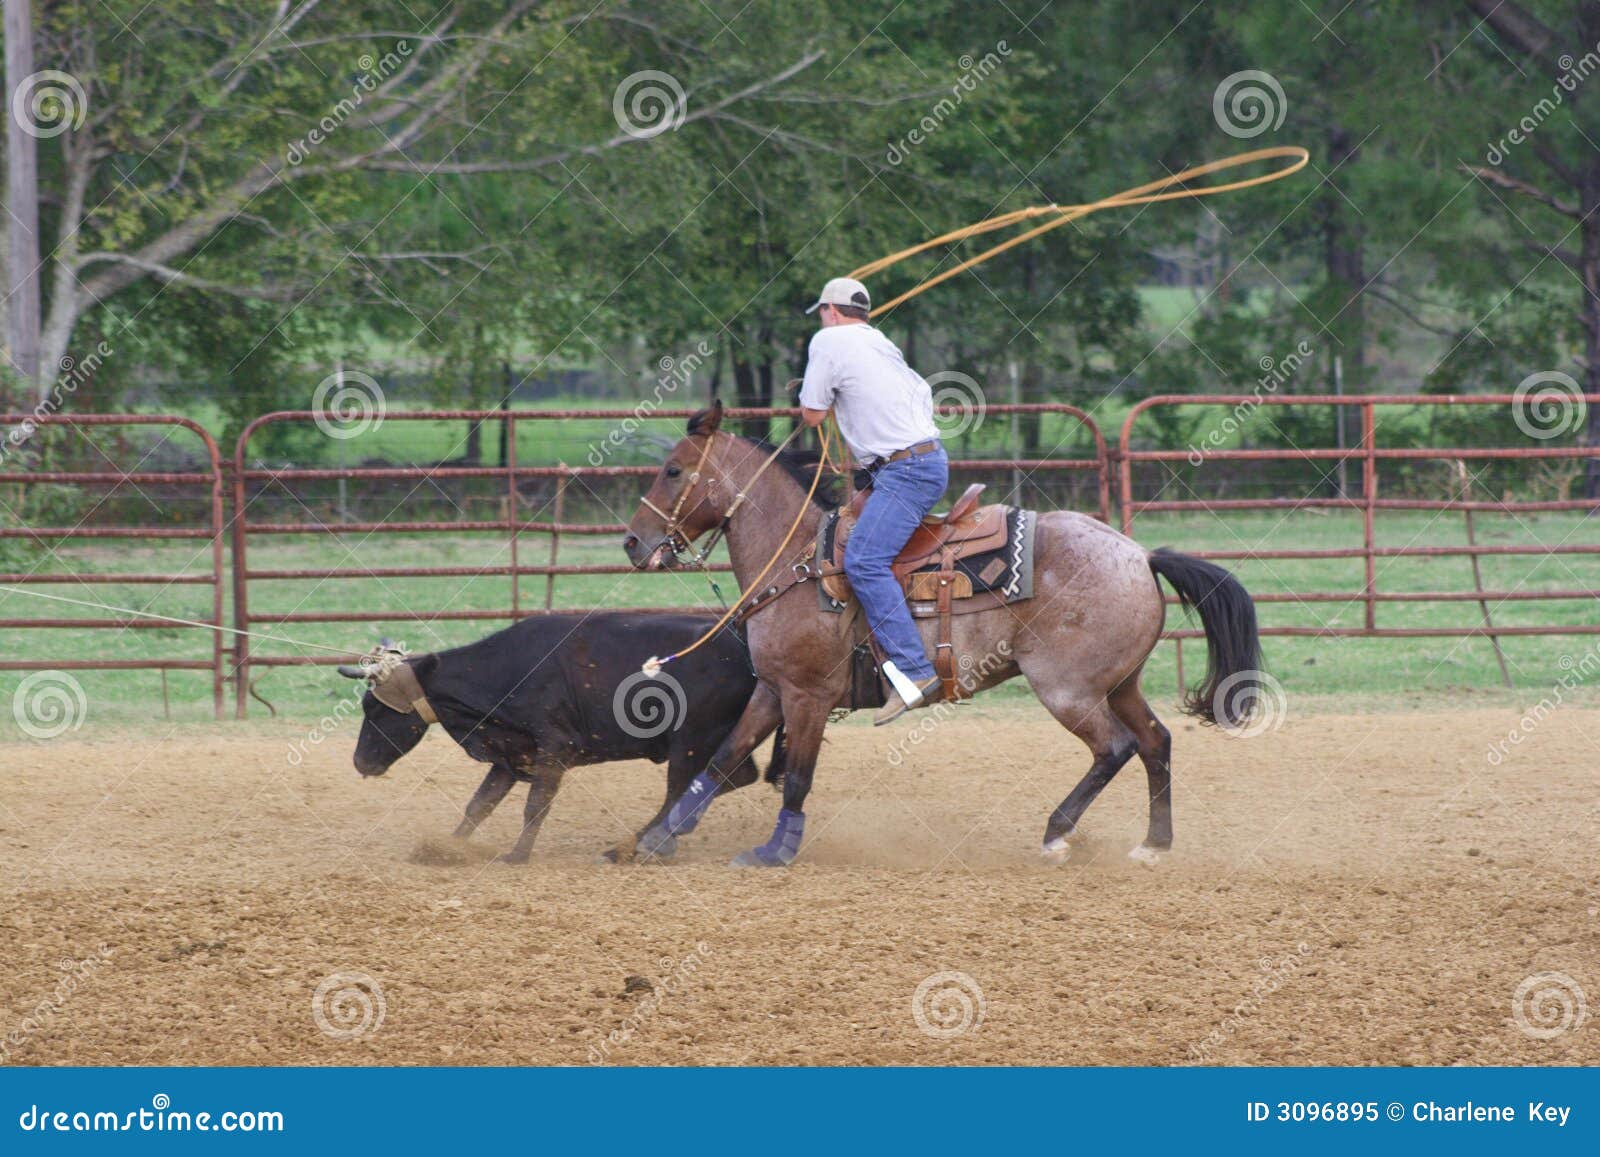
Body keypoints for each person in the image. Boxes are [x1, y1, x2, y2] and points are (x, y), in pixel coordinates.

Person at [797, 276, 949, 725]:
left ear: (831, 311)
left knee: (863, 561)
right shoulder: (879, 342)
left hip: (903, 471)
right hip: (916, 462)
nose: (823, 318)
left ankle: (916, 672)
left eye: (823, 310)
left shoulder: (828, 340)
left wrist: (814, 393)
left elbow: (812, 415)